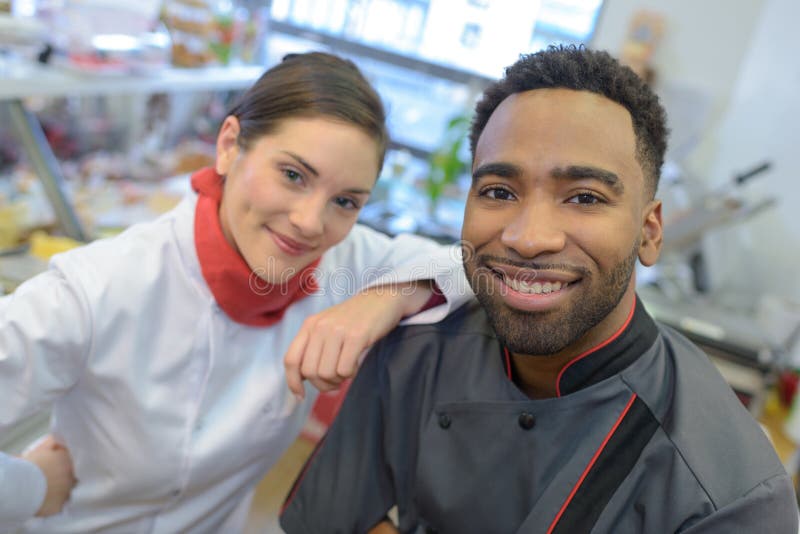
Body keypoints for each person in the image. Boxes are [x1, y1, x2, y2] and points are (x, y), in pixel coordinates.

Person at [280, 46, 799, 533]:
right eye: (499, 191)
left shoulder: (731, 492)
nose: (528, 239)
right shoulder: (416, 350)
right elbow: (332, 519)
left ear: (650, 230)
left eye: (585, 198)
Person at [0, 52, 471, 532]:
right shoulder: (95, 289)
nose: (310, 223)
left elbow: (479, 266)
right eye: (292, 175)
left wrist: (387, 296)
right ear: (228, 146)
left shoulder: (343, 259)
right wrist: (30, 488)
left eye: (345, 201)